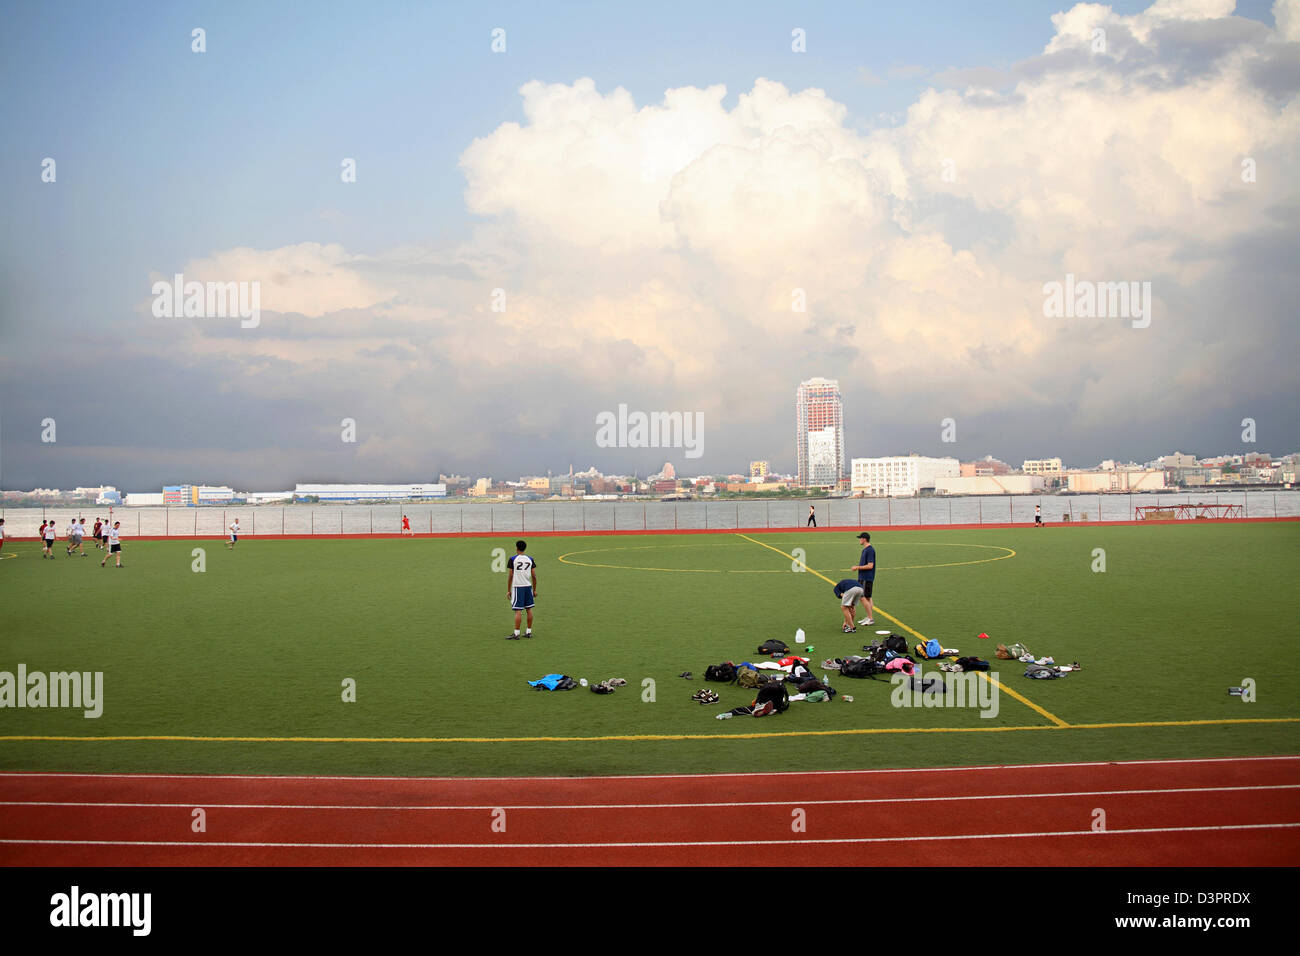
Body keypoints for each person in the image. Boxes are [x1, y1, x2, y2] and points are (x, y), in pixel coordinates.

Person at [506, 539, 537, 640]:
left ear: (517, 548)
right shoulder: (530, 559)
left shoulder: (513, 559)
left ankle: (516, 633)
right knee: (529, 609)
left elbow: (510, 575)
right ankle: (528, 632)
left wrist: (508, 590)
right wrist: (535, 590)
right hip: (528, 586)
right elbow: (534, 576)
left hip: (517, 587)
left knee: (518, 610)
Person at [851, 531, 876, 626]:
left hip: (866, 577)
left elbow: (870, 565)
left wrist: (857, 567)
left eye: (860, 538)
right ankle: (869, 617)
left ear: (864, 539)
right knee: (868, 597)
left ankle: (870, 618)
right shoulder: (865, 549)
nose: (859, 540)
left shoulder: (869, 550)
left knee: (863, 597)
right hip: (864, 577)